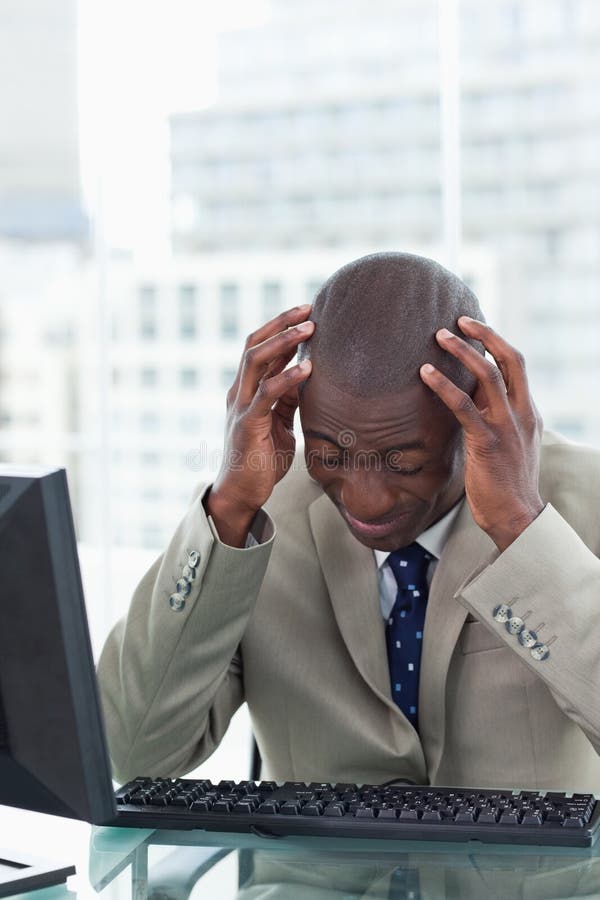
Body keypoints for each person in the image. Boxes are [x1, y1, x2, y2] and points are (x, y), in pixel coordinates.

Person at [97, 252, 600, 791]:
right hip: (310, 878)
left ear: (478, 409)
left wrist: (521, 528)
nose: (366, 502)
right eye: (331, 457)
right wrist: (228, 510)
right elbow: (132, 753)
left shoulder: (579, 500)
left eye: (403, 461)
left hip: (530, 878)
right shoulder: (256, 519)